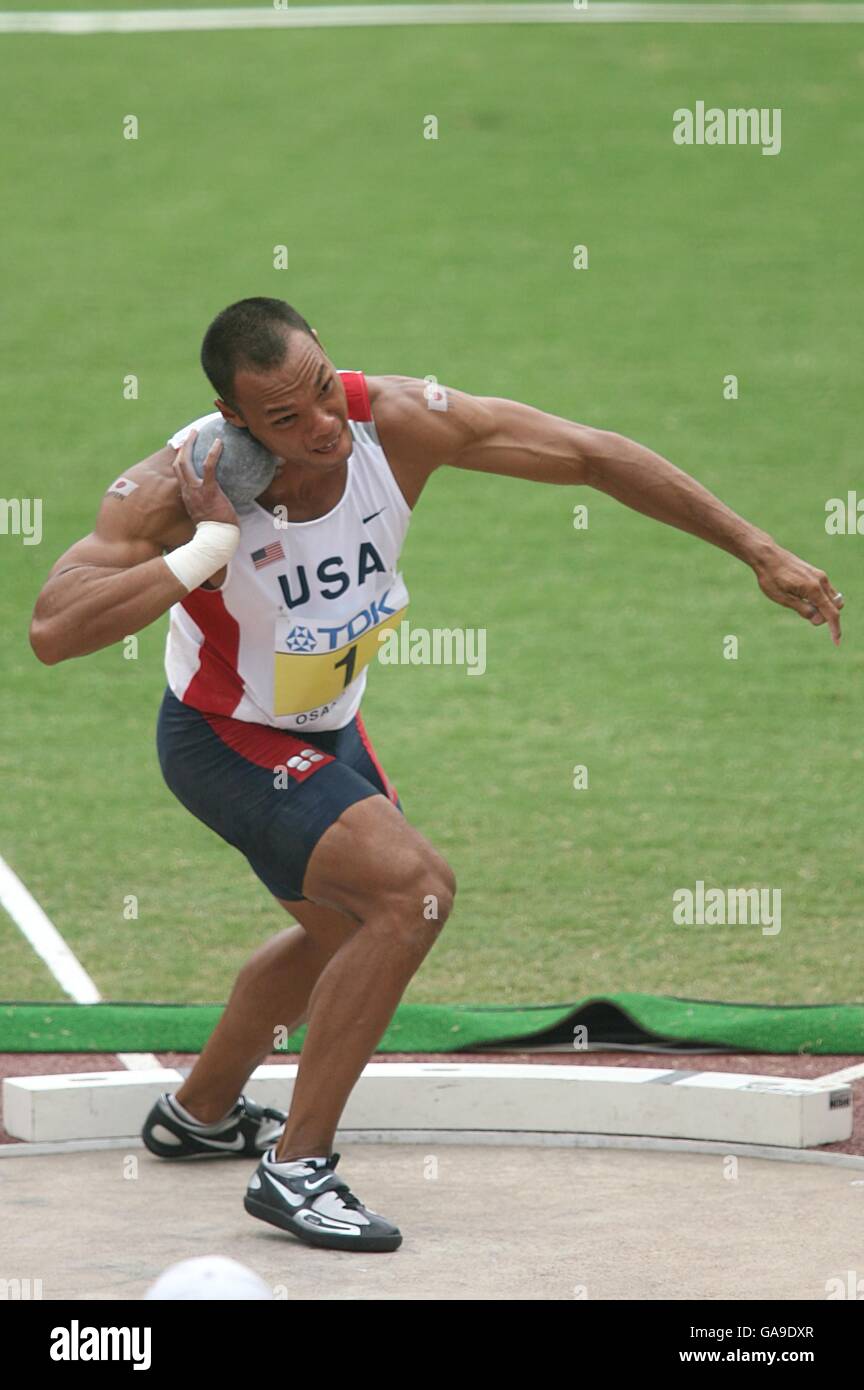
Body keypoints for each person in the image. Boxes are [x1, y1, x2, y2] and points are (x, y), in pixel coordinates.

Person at [29, 297, 844, 1253]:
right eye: (286, 420)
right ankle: (296, 1171)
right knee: (412, 893)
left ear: (333, 362)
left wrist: (758, 548)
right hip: (222, 738)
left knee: (347, 931)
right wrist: (206, 547)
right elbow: (54, 630)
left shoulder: (400, 422)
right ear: (234, 415)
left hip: (327, 725)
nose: (324, 428)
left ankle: (200, 1112)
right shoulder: (175, 489)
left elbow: (592, 453)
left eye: (326, 392)